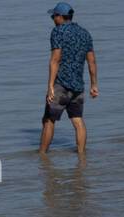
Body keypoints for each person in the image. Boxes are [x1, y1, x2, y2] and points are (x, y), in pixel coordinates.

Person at [40, 3, 98, 154]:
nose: (53, 19)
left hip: (61, 84)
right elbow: (91, 61)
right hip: (78, 86)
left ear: (60, 17)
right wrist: (94, 85)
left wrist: (50, 86)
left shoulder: (58, 32)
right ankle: (82, 156)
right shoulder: (85, 33)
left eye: (54, 16)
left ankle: (42, 156)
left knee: (48, 120)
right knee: (78, 120)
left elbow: (55, 59)